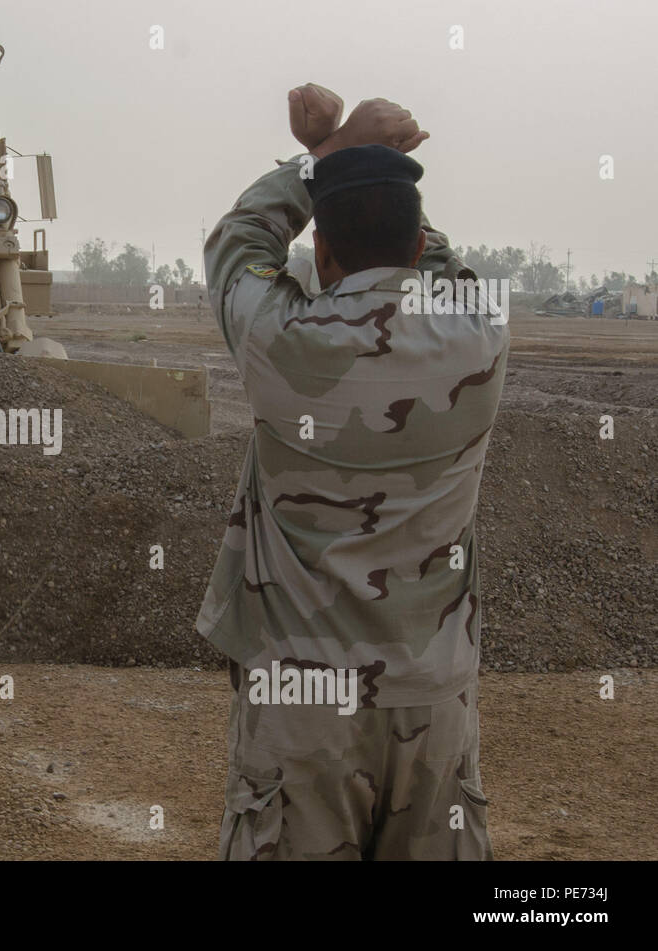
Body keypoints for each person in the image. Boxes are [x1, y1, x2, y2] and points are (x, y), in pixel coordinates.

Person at [197, 85, 508, 859]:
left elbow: (238, 242)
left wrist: (328, 155)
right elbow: (434, 262)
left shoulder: (282, 342)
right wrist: (371, 163)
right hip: (431, 701)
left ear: (322, 254)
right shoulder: (481, 335)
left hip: (302, 706)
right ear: (414, 244)